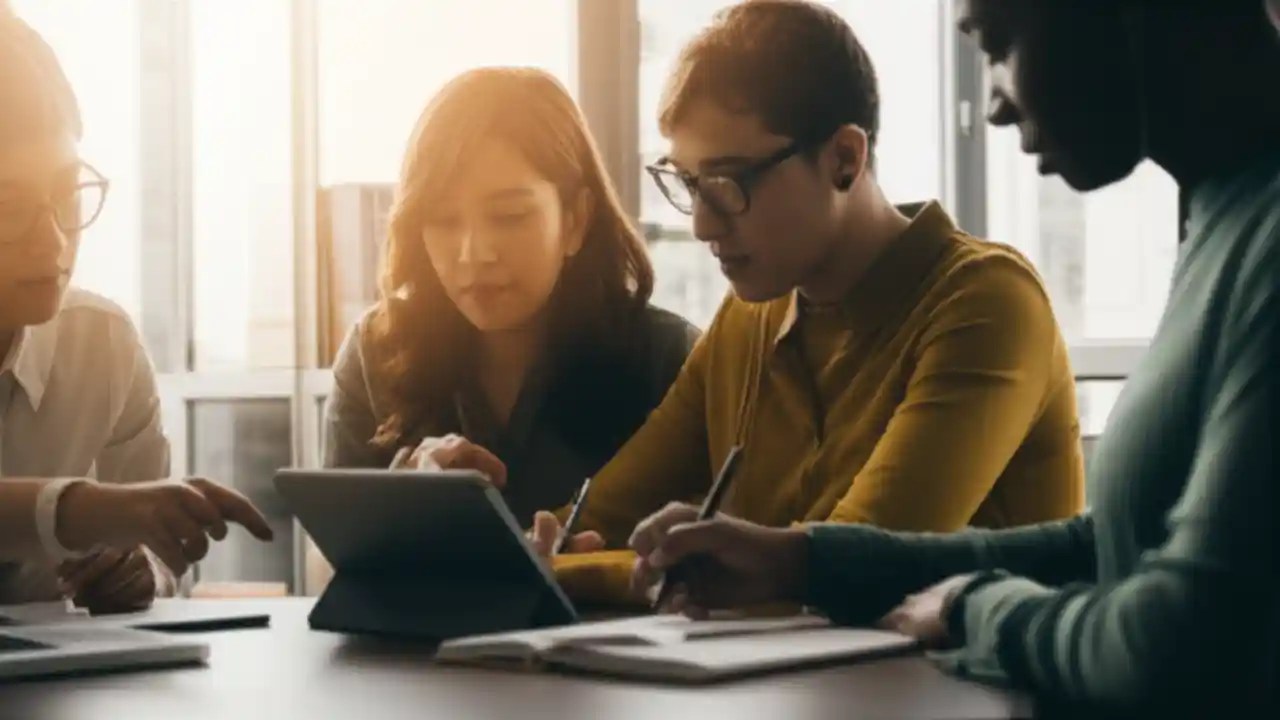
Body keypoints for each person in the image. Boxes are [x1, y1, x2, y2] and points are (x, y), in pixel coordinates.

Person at [630, 0, 1280, 713]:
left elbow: (1195, 641)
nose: (995, 105)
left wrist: (980, 609)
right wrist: (804, 561)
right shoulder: (1224, 212)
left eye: (1001, 45)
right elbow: (1119, 543)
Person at [521, 0, 1084, 604]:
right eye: (688, 185)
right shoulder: (747, 319)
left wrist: (656, 565)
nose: (704, 225)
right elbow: (588, 524)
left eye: (727, 183)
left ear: (844, 158)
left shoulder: (987, 304)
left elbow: (853, 563)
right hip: (791, 694)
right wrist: (498, 539)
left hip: (957, 692)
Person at [323, 67, 699, 528]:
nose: (473, 254)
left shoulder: (668, 359)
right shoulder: (375, 353)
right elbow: (337, 557)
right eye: (442, 220)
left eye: (509, 216)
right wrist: (405, 500)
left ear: (576, 220)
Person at [0, 7, 273, 612]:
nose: (53, 239)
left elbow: (155, 550)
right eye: (9, 205)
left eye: (67, 192)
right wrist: (83, 510)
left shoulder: (103, 348)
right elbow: (115, 509)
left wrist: (140, 566)